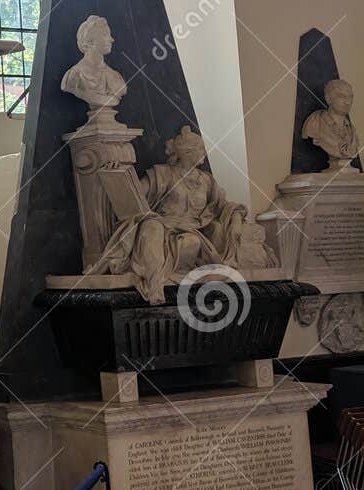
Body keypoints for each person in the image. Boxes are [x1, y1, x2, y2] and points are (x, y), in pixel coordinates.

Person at [93, 126, 273, 304]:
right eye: (199, 149)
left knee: (206, 234)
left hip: (197, 230)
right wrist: (116, 174)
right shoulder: (162, 174)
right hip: (166, 226)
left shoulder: (206, 180)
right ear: (186, 153)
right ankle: (154, 283)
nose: (203, 153)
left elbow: (223, 205)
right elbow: (132, 195)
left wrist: (235, 218)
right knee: (151, 226)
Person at [61, 15, 128, 124]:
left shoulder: (115, 77)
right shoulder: (73, 77)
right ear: (90, 41)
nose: (111, 39)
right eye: (105, 35)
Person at [302, 77, 359, 171]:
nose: (348, 102)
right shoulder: (315, 123)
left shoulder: (352, 130)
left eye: (350, 97)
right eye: (342, 96)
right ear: (328, 99)